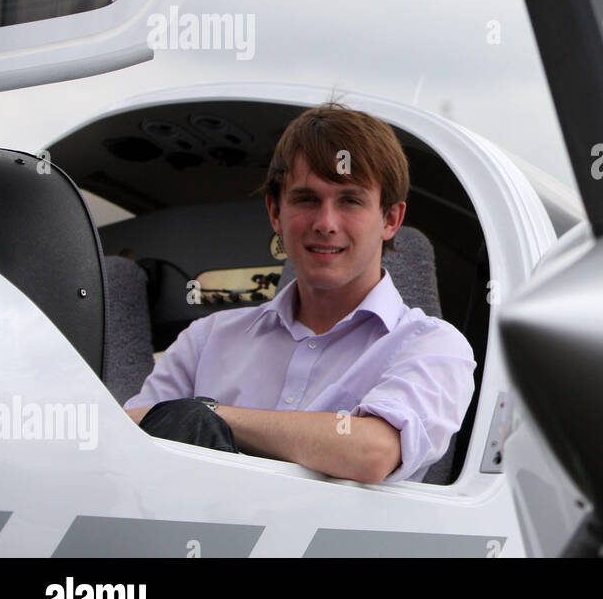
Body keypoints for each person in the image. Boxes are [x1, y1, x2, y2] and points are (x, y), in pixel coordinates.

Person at [123, 102, 475, 484]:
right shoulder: (205, 341)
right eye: (307, 199)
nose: (325, 223)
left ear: (391, 219)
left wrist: (208, 415)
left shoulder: (432, 346)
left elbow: (372, 452)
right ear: (275, 212)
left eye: (350, 201)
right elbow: (123, 438)